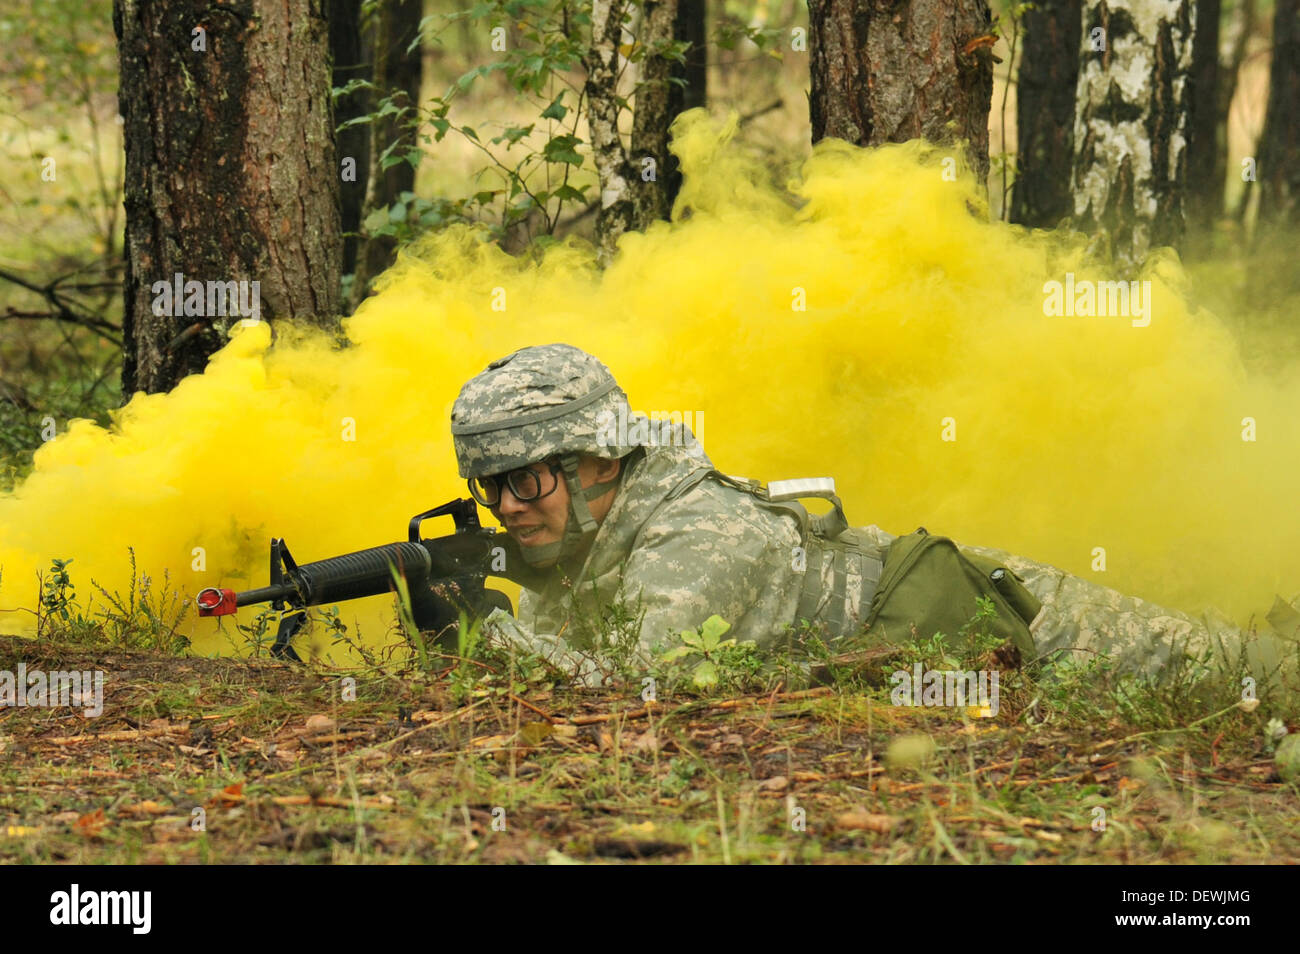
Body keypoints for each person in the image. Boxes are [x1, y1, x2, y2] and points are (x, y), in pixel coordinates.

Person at [451, 343, 1240, 682]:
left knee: (1247, 674)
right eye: (495, 486)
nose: (510, 509)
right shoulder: (585, 543)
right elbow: (560, 677)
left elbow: (649, 695)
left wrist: (491, 631)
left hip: (1032, 626)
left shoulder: (698, 530)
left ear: (602, 460)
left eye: (529, 481)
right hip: (950, 658)